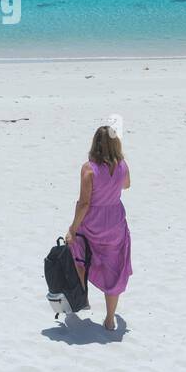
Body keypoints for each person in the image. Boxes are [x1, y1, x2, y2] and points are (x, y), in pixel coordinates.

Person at [65, 125, 133, 331]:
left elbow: (84, 203)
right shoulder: (122, 165)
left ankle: (81, 298)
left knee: (79, 254)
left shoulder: (89, 168)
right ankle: (110, 319)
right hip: (114, 222)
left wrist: (72, 228)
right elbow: (126, 185)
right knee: (114, 267)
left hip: (93, 221)